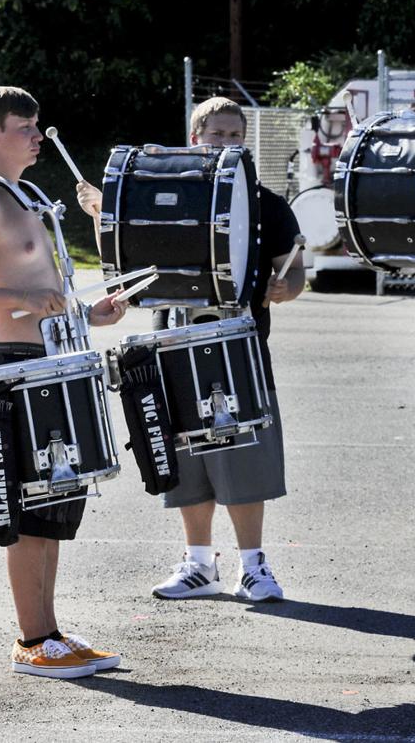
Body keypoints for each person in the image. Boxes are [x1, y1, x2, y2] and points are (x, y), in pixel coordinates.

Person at [0, 85, 127, 680]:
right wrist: (17, 296)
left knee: (56, 501)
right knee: (31, 505)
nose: (38, 136)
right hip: (16, 367)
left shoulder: (29, 196)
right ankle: (32, 639)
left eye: (38, 125)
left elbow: (47, 287)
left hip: (57, 358)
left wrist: (88, 314)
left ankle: (51, 632)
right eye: (25, 127)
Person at [81, 96, 304, 602]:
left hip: (238, 346)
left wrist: (285, 288)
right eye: (216, 134)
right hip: (172, 341)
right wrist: (102, 213)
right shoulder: (156, 193)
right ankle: (199, 564)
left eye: (234, 134)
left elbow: (294, 272)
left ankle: (254, 567)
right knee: (184, 457)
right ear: (194, 138)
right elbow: (122, 263)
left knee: (243, 454)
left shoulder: (266, 201)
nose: (226, 142)